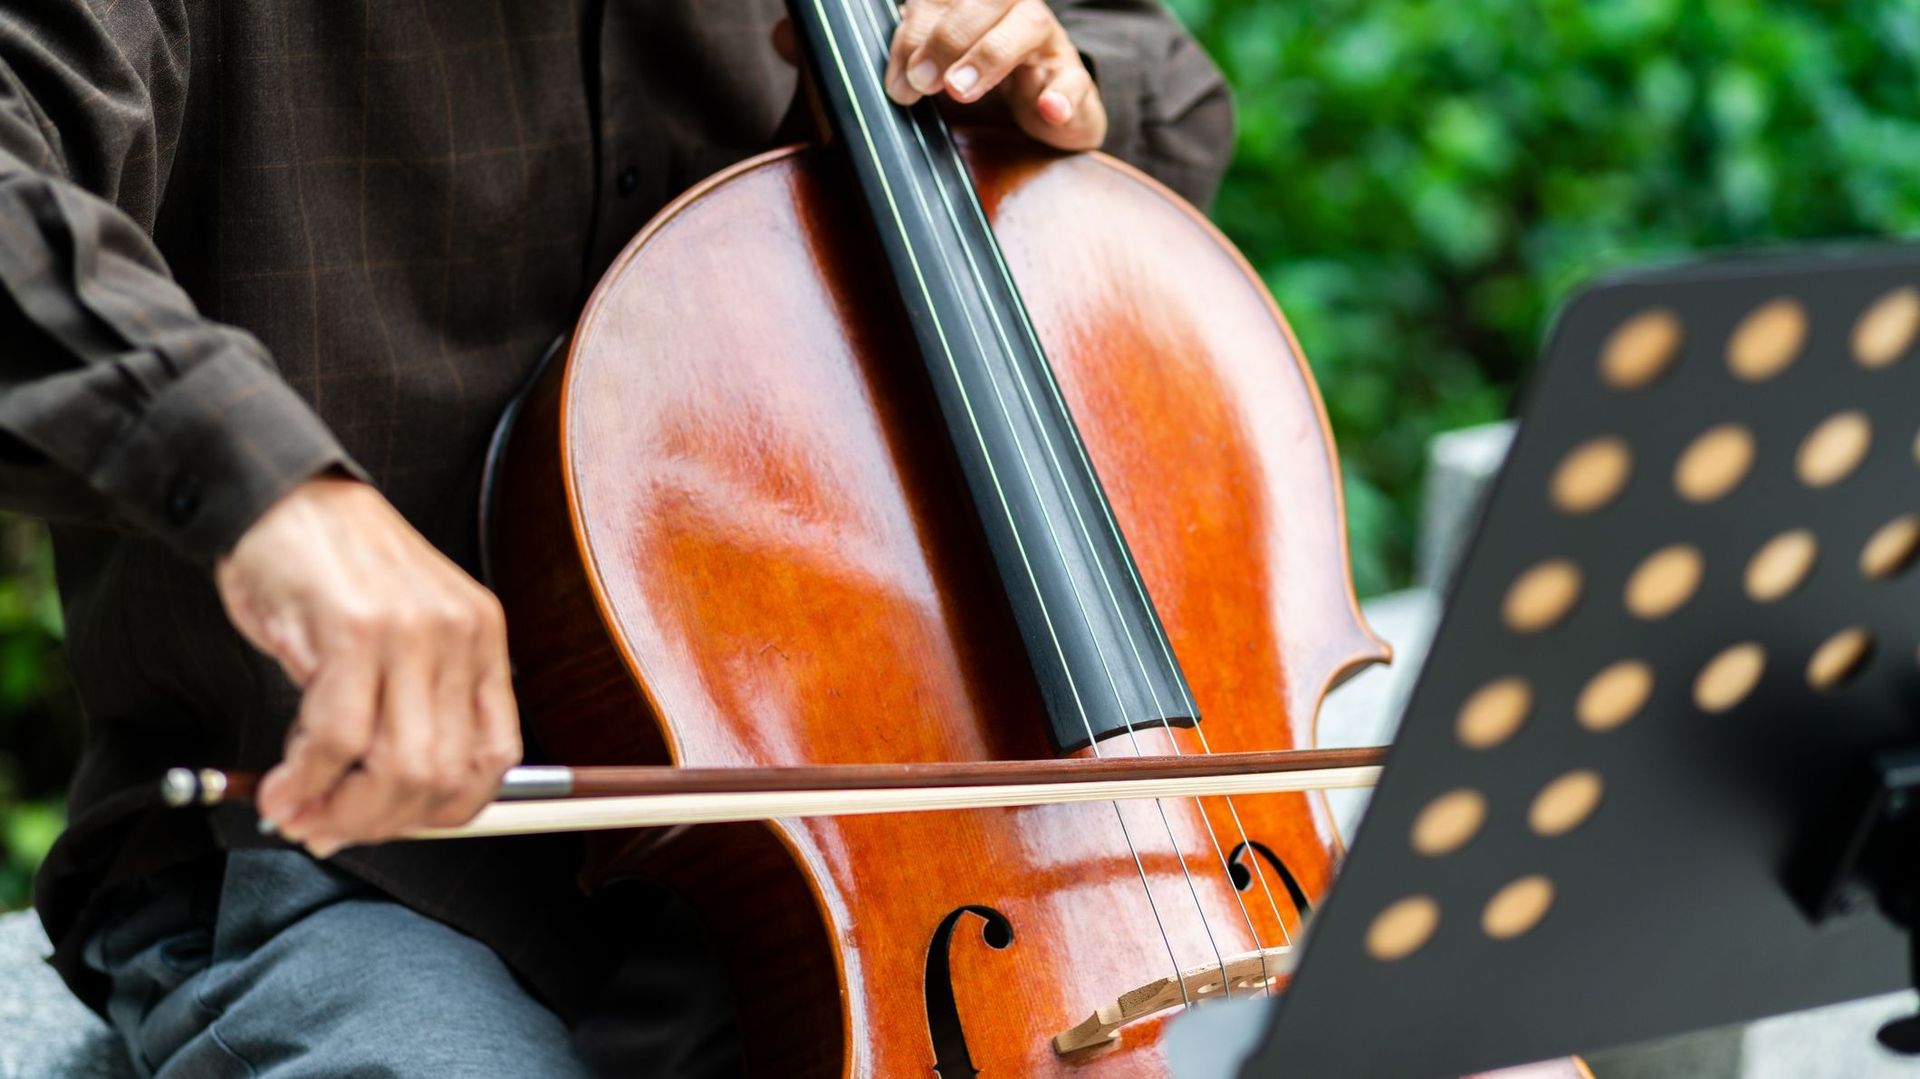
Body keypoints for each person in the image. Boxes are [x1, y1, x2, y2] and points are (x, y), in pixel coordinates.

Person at [1, 1, 1232, 1073]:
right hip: (356, 851)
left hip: (890, 822)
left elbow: (1159, 79)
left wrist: (1043, 85)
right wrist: (261, 482)